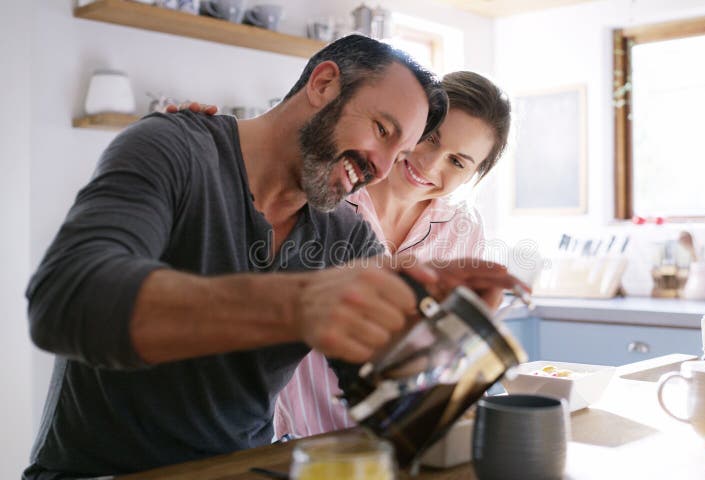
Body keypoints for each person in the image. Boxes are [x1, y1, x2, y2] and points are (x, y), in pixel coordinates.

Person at [23, 35, 523, 479]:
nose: (382, 167)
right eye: (382, 130)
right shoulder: (172, 147)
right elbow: (66, 301)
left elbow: (400, 404)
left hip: (243, 467)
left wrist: (457, 333)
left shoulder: (345, 234)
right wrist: (298, 303)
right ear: (324, 84)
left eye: (400, 152)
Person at [272, 71, 512, 438]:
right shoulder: (324, 197)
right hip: (307, 443)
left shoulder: (463, 227)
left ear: (473, 174)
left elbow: (447, 354)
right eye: (429, 139)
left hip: (407, 444)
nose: (431, 165)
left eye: (458, 162)